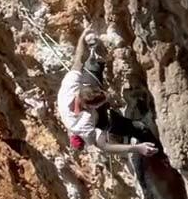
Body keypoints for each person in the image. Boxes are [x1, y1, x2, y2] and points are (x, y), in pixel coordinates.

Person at [56, 27, 160, 157]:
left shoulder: (70, 87)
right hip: (99, 120)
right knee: (140, 128)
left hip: (87, 93)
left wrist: (82, 37)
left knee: (92, 64)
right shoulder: (84, 125)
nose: (108, 97)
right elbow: (104, 146)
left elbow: (78, 59)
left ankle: (99, 52)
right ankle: (158, 153)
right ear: (91, 107)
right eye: (102, 101)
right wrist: (137, 148)